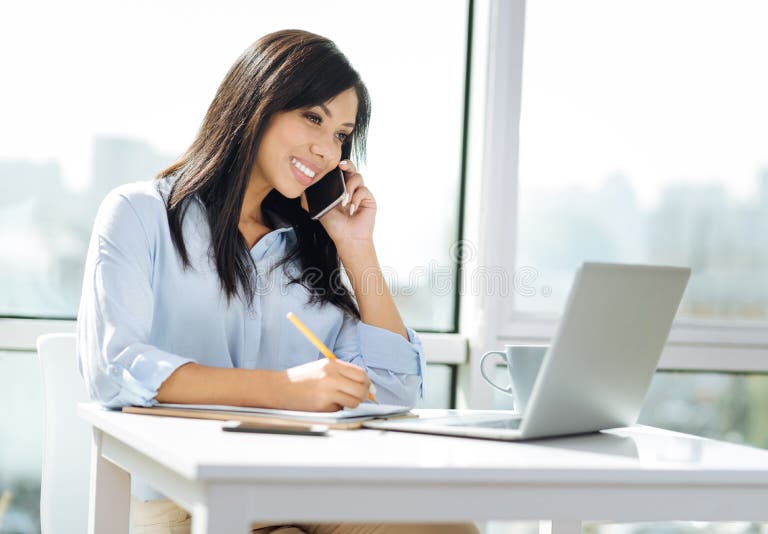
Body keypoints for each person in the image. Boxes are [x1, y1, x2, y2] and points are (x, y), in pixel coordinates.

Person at [77, 29, 478, 534]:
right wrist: (287, 390)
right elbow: (117, 369)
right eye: (313, 117)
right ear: (257, 103)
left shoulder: (304, 248)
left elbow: (394, 390)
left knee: (449, 529)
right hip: (183, 495)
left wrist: (356, 247)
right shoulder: (141, 214)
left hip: (303, 488)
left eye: (340, 134)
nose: (326, 148)